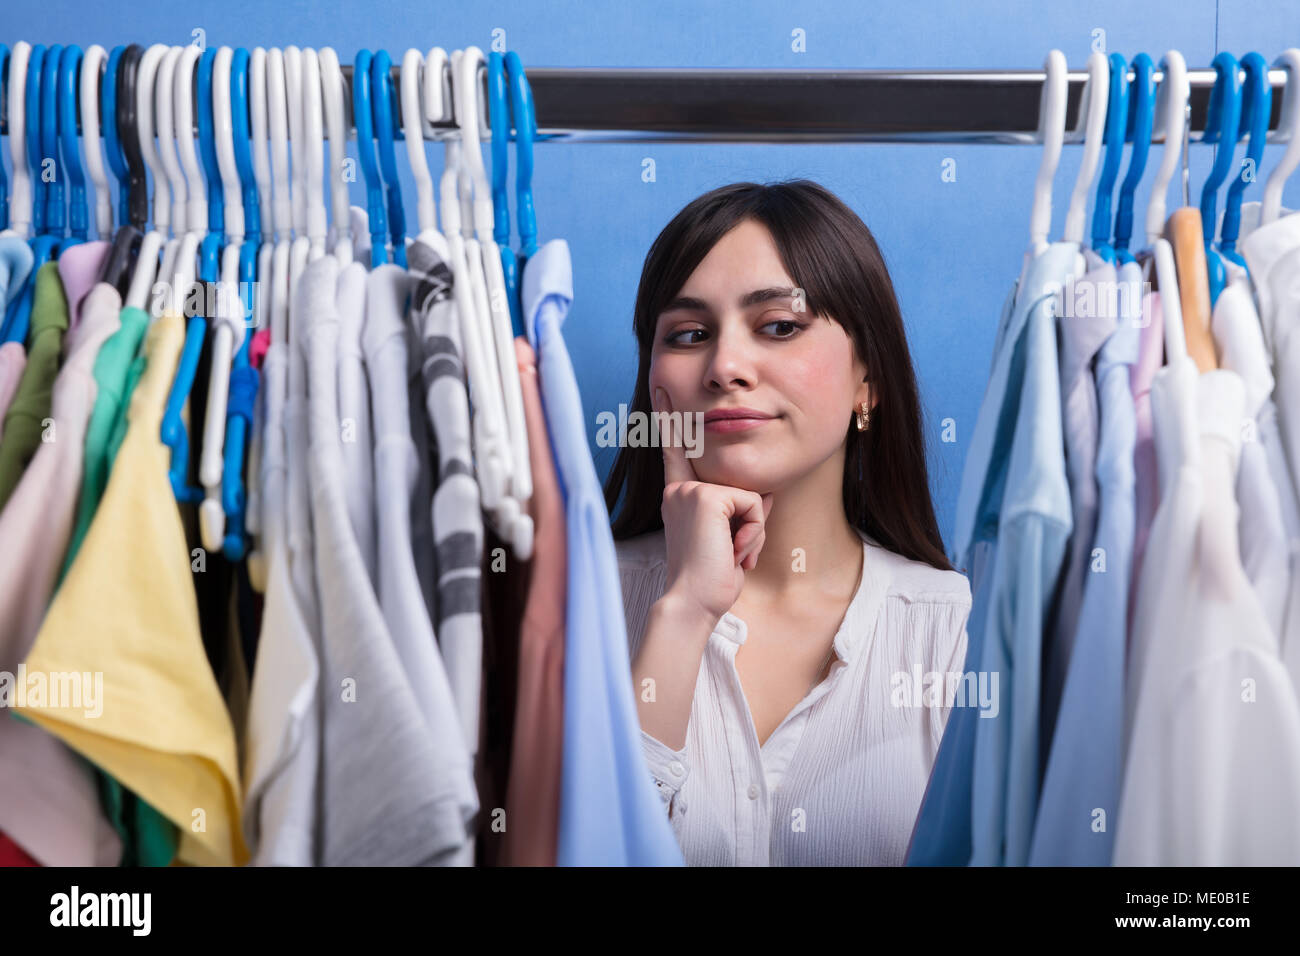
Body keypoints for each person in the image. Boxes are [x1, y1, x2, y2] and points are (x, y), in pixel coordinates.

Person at [604, 179, 973, 866]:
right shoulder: (578, 604)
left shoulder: (955, 633)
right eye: (688, 335)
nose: (725, 368)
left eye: (779, 326)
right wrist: (683, 614)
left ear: (869, 379)